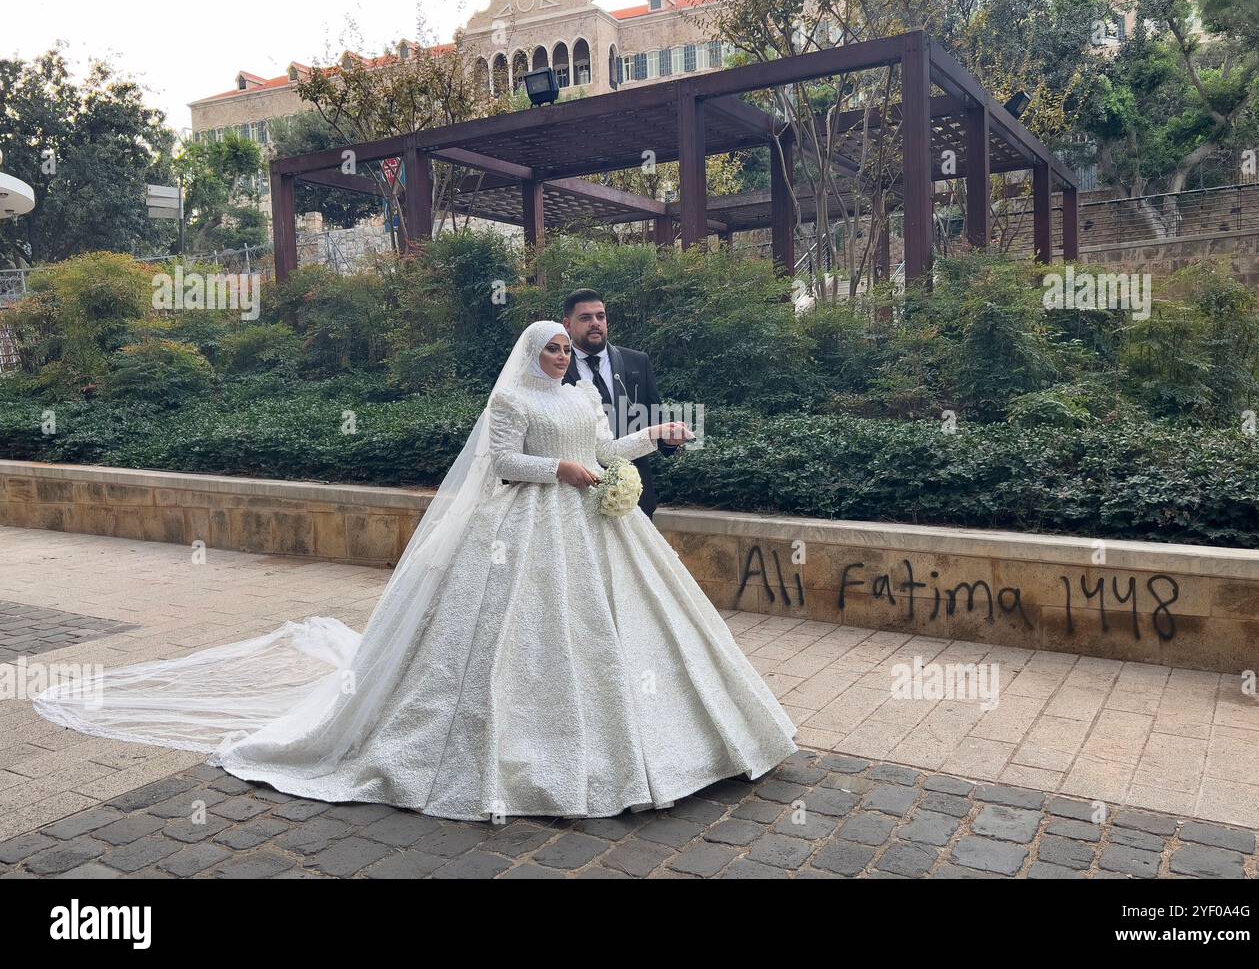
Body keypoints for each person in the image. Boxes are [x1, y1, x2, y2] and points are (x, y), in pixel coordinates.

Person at [32, 321, 799, 821]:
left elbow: (604, 454)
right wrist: (556, 470)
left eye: (568, 347)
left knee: (626, 629)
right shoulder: (509, 397)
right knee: (505, 636)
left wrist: (652, 438)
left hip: (590, 524)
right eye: (552, 346)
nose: (562, 355)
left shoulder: (578, 397)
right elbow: (500, 463)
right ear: (531, 352)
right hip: (526, 524)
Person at [559, 287, 677, 518]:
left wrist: (670, 439)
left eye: (600, 316)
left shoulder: (637, 361)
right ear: (567, 325)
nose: (595, 323)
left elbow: (654, 419)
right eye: (585, 318)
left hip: (632, 493)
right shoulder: (556, 367)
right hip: (574, 494)